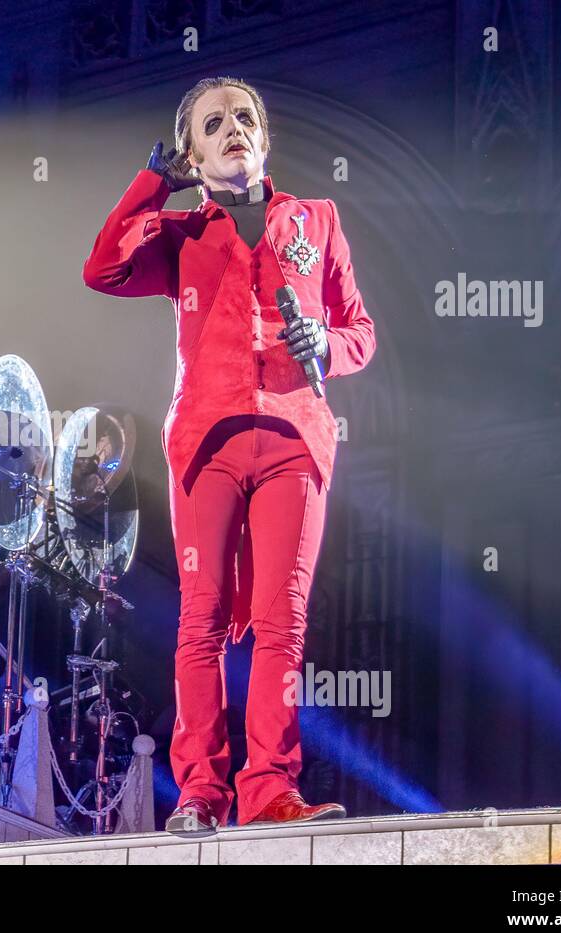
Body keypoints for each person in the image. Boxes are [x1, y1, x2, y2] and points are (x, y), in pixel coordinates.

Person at [82, 76, 376, 831]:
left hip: (293, 437)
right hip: (207, 443)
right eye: (213, 124)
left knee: (283, 620)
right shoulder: (179, 235)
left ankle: (270, 790)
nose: (233, 128)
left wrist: (329, 347)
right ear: (193, 151)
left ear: (266, 139)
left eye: (245, 117)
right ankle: (200, 796)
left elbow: (361, 331)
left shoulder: (317, 219)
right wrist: (154, 184)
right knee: (201, 618)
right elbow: (104, 269)